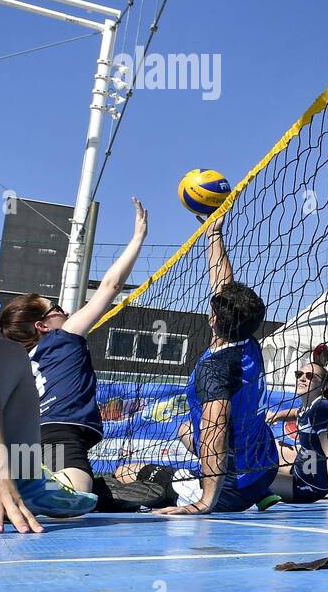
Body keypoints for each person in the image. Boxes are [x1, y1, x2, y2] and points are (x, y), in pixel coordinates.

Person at [116, 213, 279, 514]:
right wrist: (213, 235)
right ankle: (259, 489)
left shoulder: (214, 369)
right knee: (184, 429)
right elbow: (223, 287)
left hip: (231, 490)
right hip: (265, 467)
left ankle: (211, 492)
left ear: (214, 320)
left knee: (126, 472)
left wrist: (205, 501)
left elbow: (214, 429)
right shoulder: (248, 342)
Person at [0, 170, 94, 530]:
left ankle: (17, 475)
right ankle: (17, 477)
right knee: (6, 355)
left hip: (42, 434)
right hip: (56, 433)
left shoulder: (63, 341)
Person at [0, 198, 149, 494]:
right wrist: (138, 237)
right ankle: (33, 492)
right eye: (55, 307)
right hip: (59, 433)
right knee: (77, 496)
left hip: (26, 439)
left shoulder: (22, 359)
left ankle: (22, 485)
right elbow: (110, 286)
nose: (64, 311)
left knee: (78, 489)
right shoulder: (62, 336)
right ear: (42, 325)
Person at [266, 360, 328, 504]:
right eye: (299, 374)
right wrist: (277, 415)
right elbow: (296, 413)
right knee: (269, 446)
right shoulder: (308, 406)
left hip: (310, 485)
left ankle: (262, 494)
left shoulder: (321, 409)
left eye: (310, 376)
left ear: (324, 386)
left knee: (257, 477)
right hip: (304, 468)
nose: (302, 378)